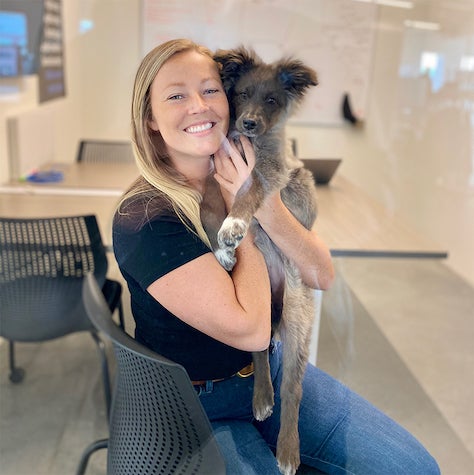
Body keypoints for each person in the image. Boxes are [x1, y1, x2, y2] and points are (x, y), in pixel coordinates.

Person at [112, 38, 440, 475]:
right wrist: (241, 209)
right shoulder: (147, 218)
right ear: (150, 118)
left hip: (271, 370)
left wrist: (259, 200)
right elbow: (250, 330)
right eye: (176, 95)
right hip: (199, 400)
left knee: (415, 467)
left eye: (210, 90)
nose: (199, 105)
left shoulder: (245, 171)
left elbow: (321, 273)